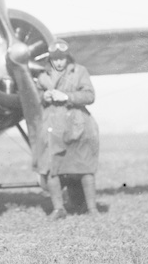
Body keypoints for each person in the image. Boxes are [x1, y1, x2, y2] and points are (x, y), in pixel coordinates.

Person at [35, 39, 101, 219]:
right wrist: (44, 96)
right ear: (50, 59)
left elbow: (89, 95)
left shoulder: (80, 71)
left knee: (84, 166)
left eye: (62, 58)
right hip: (52, 126)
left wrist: (66, 96)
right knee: (51, 166)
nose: (58, 62)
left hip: (77, 125)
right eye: (55, 59)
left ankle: (92, 209)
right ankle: (59, 209)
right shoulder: (42, 75)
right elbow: (36, 96)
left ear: (67, 57)